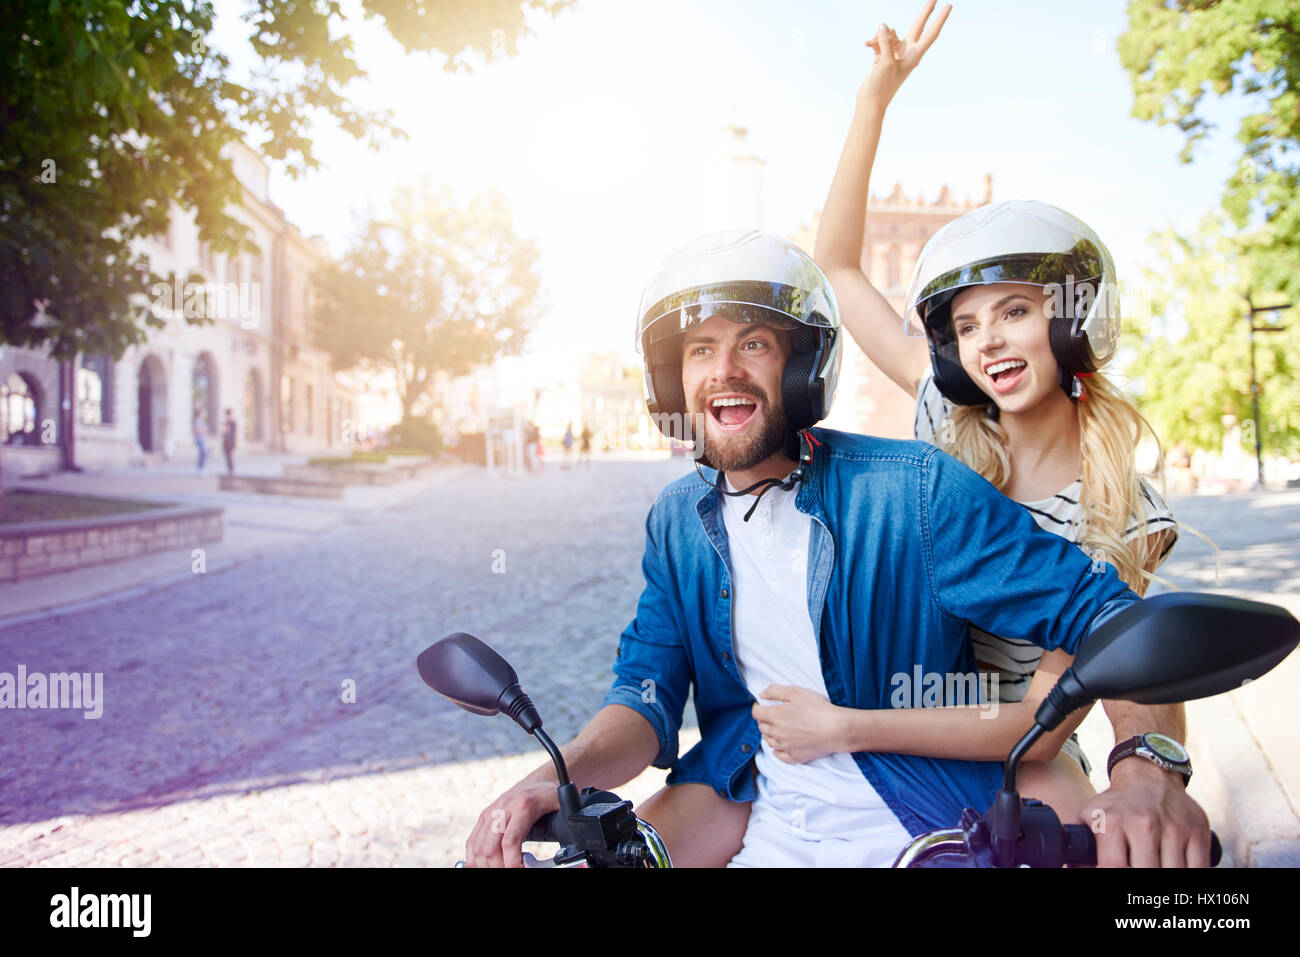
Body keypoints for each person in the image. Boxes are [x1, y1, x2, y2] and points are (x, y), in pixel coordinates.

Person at [462, 229, 1168, 869]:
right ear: (669, 384)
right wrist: (553, 776)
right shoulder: (676, 523)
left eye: (754, 344)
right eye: (700, 350)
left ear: (803, 367)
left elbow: (1103, 614)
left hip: (932, 820)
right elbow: (643, 700)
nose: (724, 369)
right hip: (754, 815)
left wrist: (1143, 763)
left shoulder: (913, 491)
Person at [761, 0, 1203, 865]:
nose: (989, 338)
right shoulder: (947, 415)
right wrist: (874, 100)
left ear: (1072, 323)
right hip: (897, 687)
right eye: (967, 326)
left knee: (1080, 837)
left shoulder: (1121, 503)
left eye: (1015, 310)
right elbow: (840, 268)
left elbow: (1055, 720)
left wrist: (841, 724)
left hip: (1012, 736)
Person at [192, 401, 208, 474]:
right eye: (204, 413)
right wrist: (203, 430)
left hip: (202, 439)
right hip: (199, 439)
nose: (205, 415)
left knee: (202, 453)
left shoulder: (201, 421)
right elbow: (197, 430)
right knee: (204, 453)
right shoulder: (197, 421)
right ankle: (200, 468)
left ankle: (200, 468)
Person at [221, 408, 237, 475]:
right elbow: (223, 432)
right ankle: (230, 469)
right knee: (228, 456)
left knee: (229, 456)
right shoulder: (226, 422)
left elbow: (233, 433)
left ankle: (231, 469)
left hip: (230, 441)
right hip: (226, 441)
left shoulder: (232, 422)